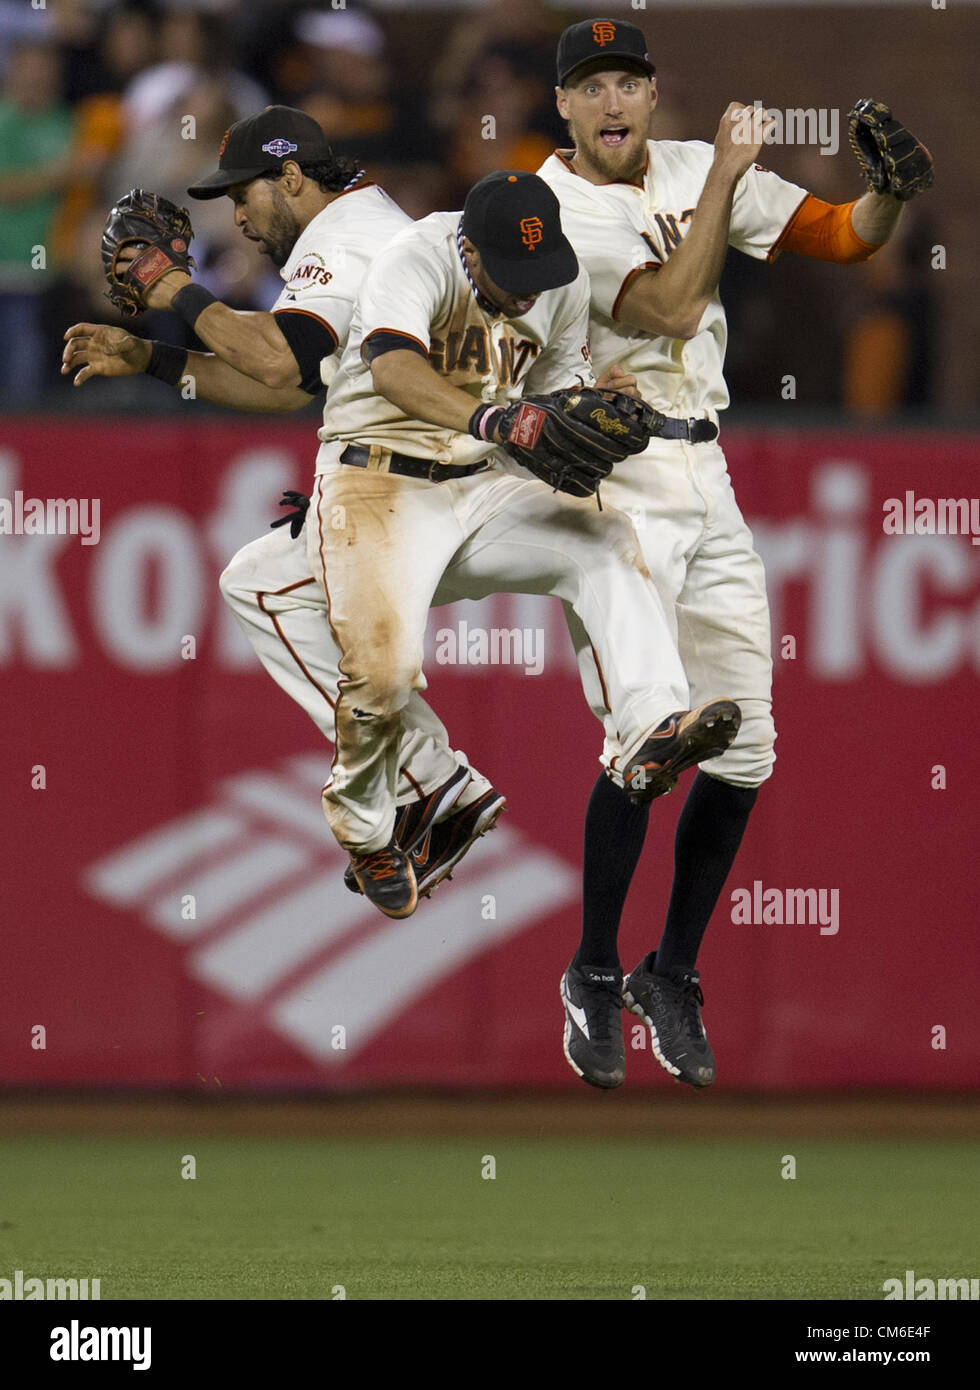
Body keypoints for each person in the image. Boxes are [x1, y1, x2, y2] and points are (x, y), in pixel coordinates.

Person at [539, 18, 930, 1090]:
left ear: (652, 92)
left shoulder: (686, 166)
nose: (611, 99)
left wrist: (889, 194)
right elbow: (665, 307)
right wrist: (721, 174)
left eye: (627, 79)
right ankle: (589, 968)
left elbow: (845, 236)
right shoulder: (553, 206)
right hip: (608, 480)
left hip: (702, 470)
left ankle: (670, 971)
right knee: (648, 732)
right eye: (590, 85)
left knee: (746, 746)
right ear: (562, 106)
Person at [62, 105, 506, 899]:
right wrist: (157, 358)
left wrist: (171, 286)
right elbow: (292, 382)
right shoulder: (362, 229)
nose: (236, 214)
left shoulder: (342, 236)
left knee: (264, 585)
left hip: (426, 484)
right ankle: (434, 782)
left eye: (245, 192)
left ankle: (433, 783)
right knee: (261, 578)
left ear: (292, 176)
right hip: (436, 471)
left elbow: (272, 364)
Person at [301, 166, 740, 919]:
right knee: (384, 675)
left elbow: (553, 398)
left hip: (477, 482)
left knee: (604, 540)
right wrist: (496, 421)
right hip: (378, 480)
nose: (529, 290)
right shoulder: (417, 256)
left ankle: (649, 728)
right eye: (512, 274)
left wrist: (601, 402)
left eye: (540, 271)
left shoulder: (554, 284)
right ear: (468, 250)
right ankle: (369, 831)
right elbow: (394, 368)